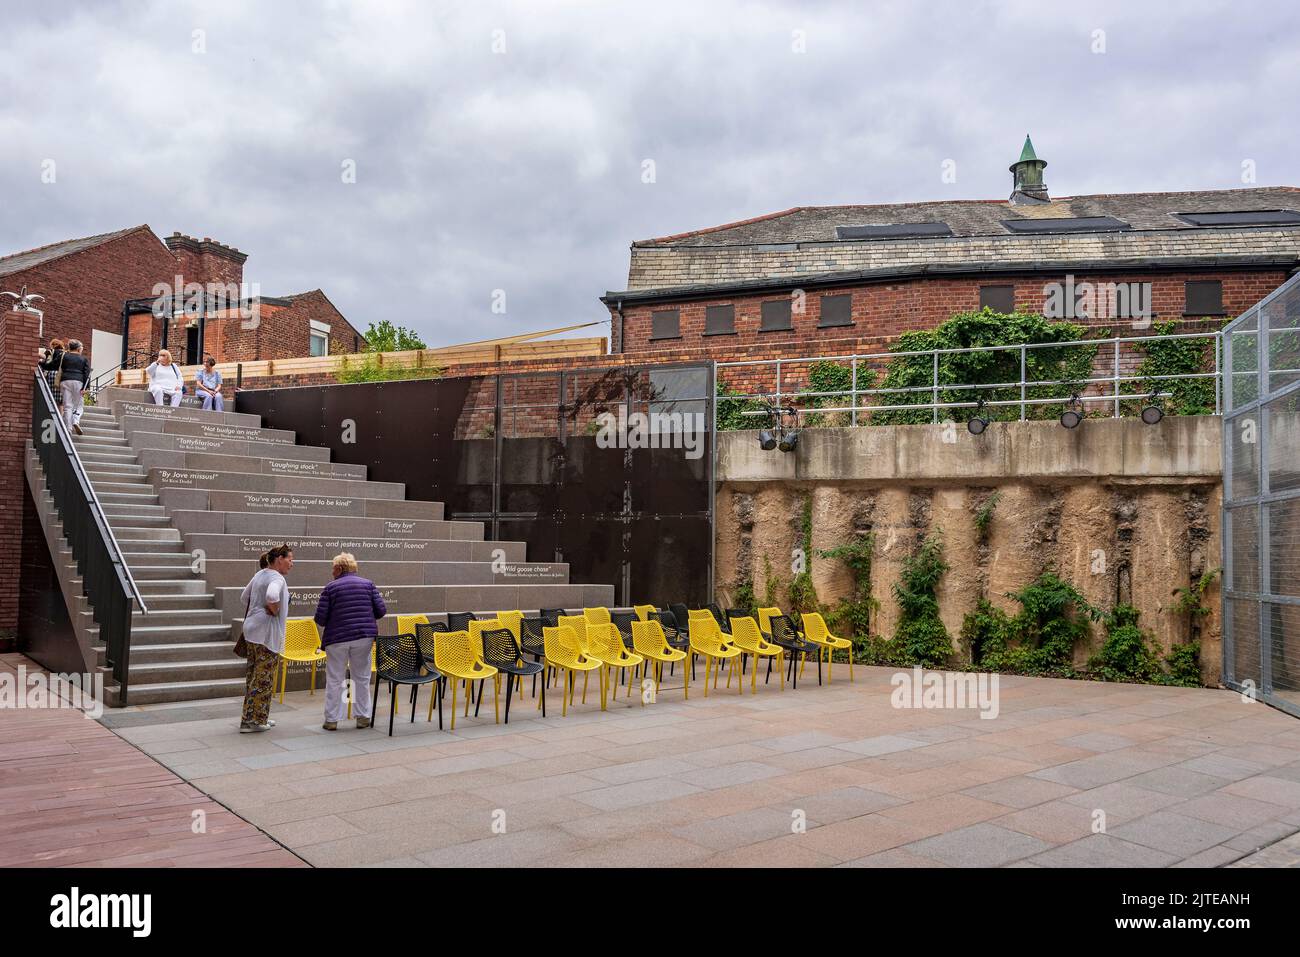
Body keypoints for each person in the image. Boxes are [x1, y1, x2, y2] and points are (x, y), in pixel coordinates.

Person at [314, 552, 386, 731]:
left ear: (339, 568)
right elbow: (381, 611)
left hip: (337, 639)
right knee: (361, 677)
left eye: (333, 568)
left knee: (335, 678)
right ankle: (363, 717)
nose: (332, 571)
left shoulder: (331, 588)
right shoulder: (368, 585)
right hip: (363, 636)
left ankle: (332, 720)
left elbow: (320, 619)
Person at [238, 544, 294, 732]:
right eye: (289, 559)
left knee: (253, 677)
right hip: (265, 633)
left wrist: (259, 607)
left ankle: (255, 716)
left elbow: (244, 597)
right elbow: (271, 595)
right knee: (264, 679)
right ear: (279, 559)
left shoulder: (260, 574)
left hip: (251, 630)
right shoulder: (276, 578)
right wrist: (272, 608)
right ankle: (254, 721)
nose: (291, 564)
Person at [56, 340, 90, 435]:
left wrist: (42, 363)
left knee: (67, 406)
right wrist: (85, 387)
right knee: (79, 405)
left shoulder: (64, 356)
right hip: (78, 382)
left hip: (65, 380)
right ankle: (75, 421)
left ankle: (68, 429)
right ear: (79, 348)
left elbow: (54, 365)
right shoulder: (84, 359)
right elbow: (87, 374)